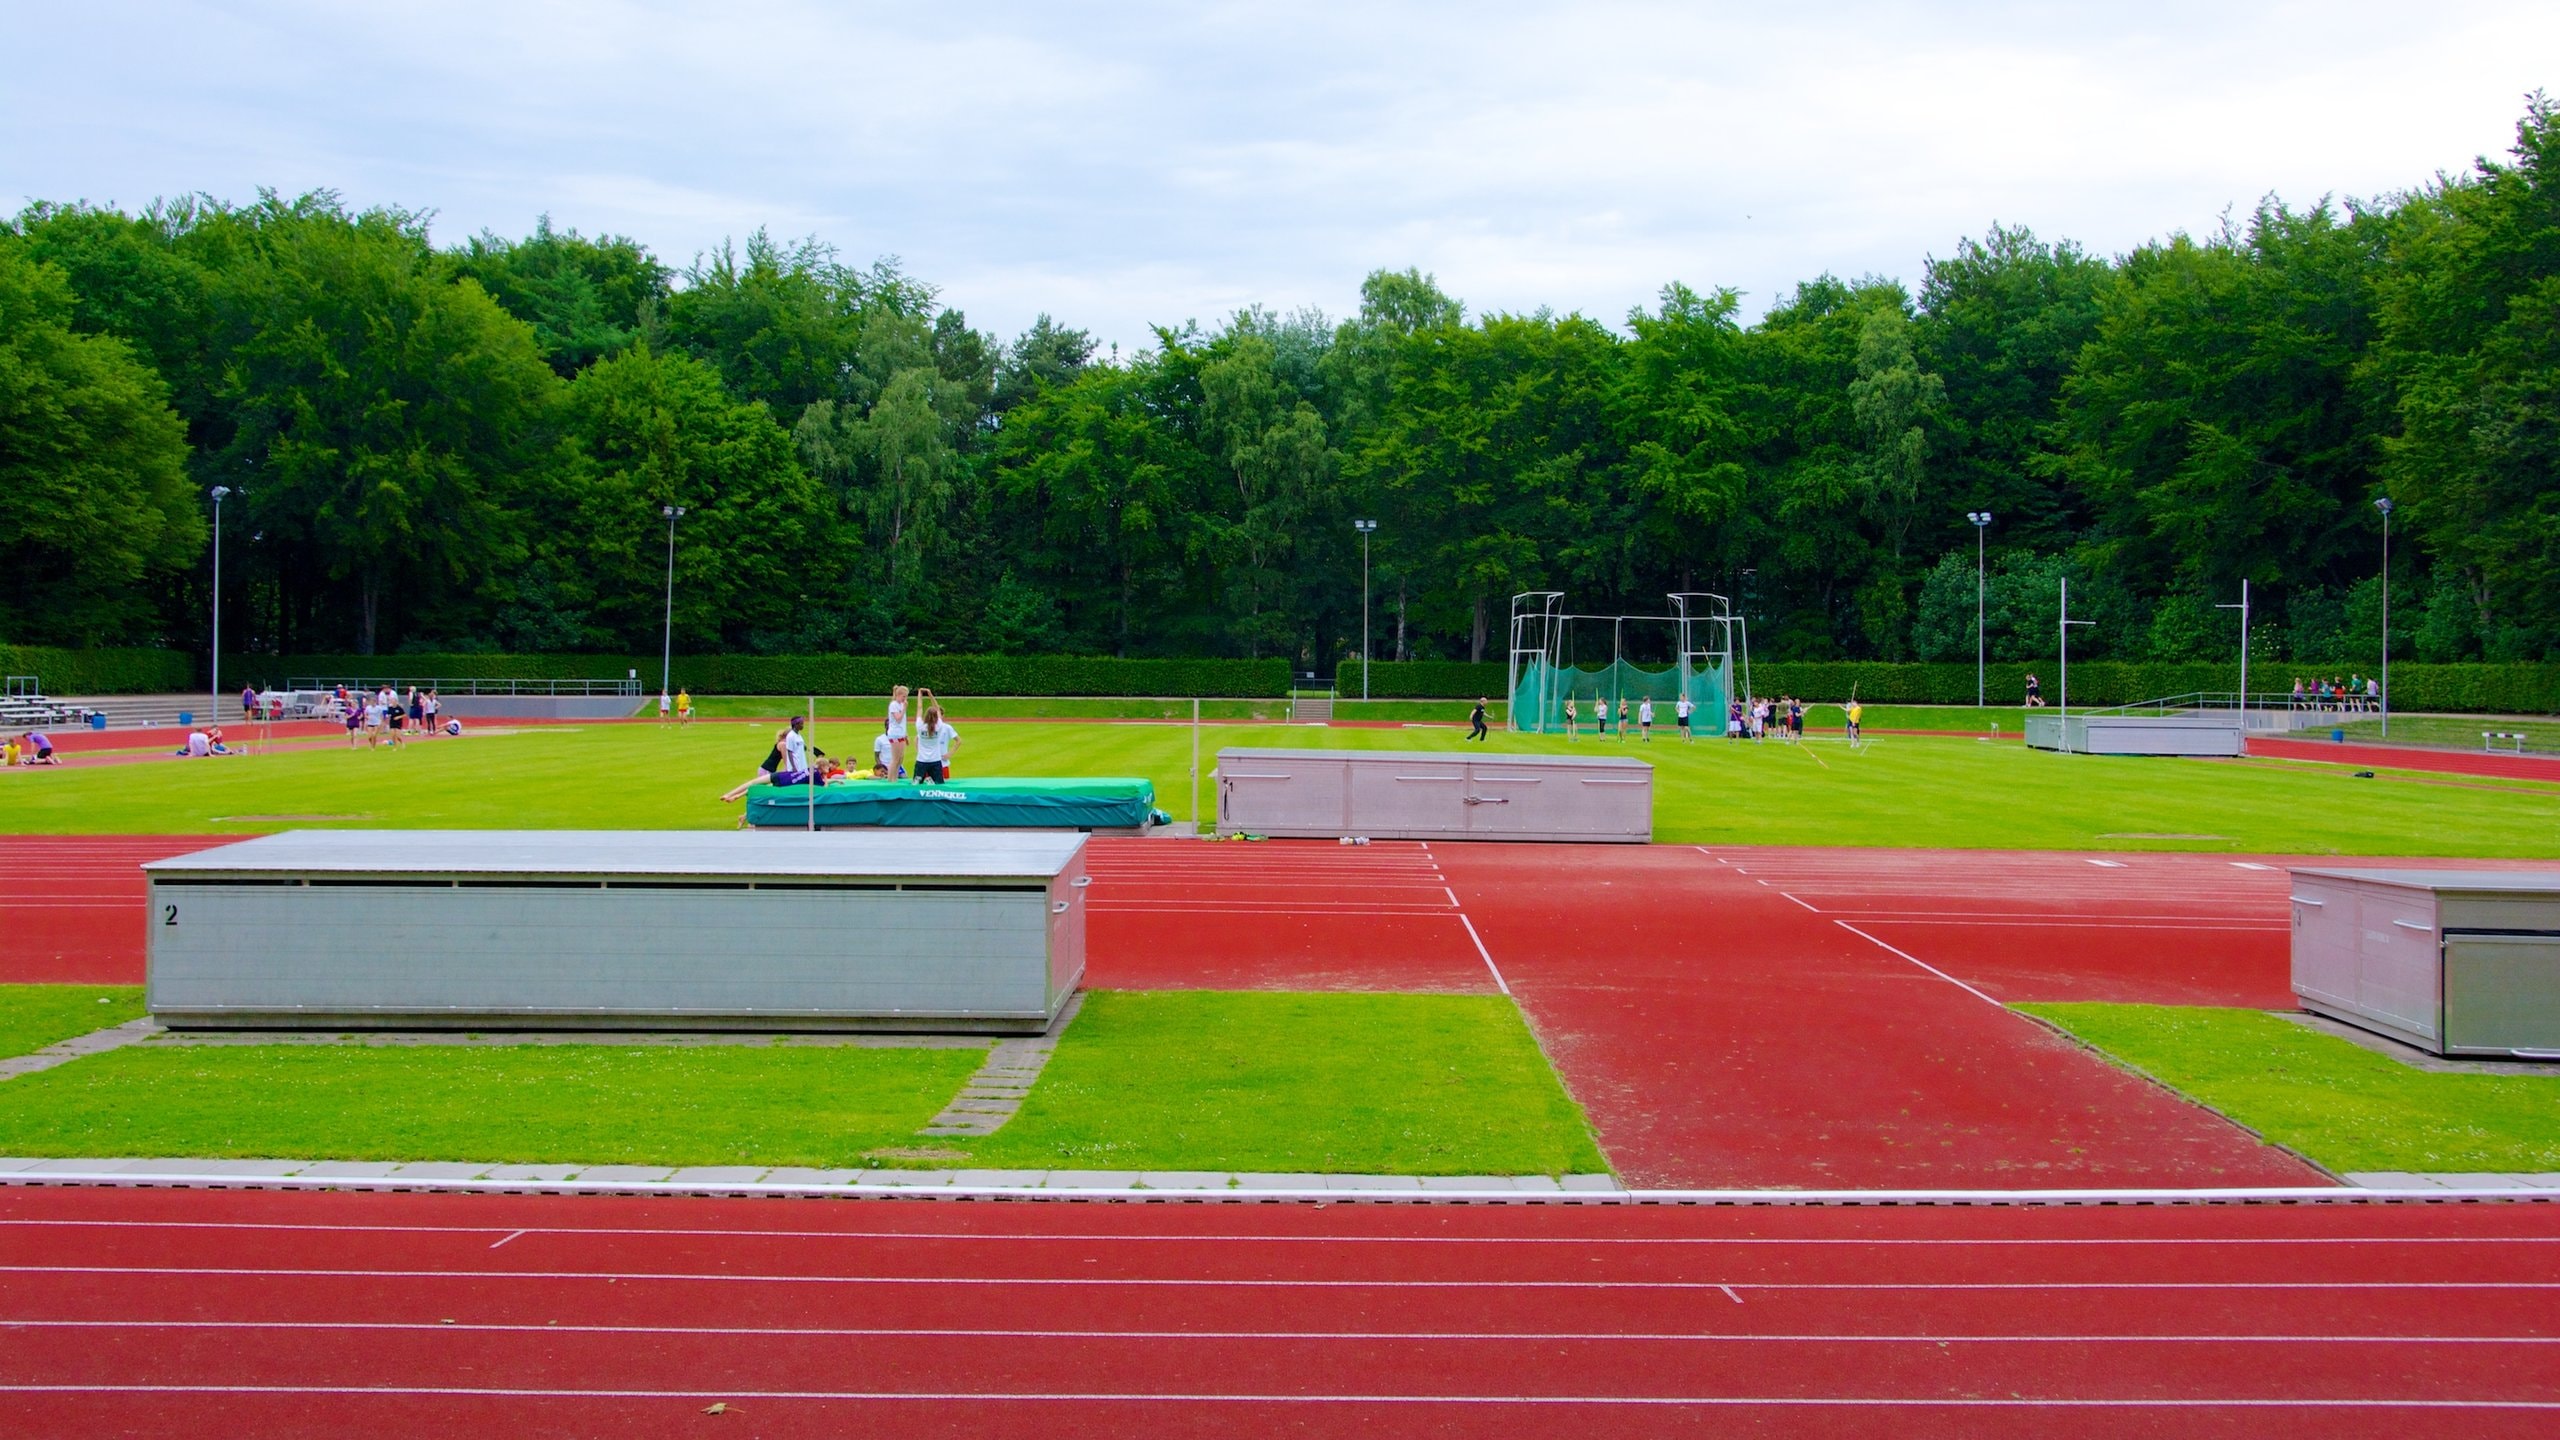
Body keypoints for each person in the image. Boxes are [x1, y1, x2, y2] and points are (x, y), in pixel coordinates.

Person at [913, 706, 959, 783]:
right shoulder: (929, 727)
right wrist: (919, 751)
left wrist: (949, 754)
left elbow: (958, 740)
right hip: (933, 760)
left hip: (942, 762)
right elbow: (916, 739)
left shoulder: (946, 728)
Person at [886, 684, 911, 778]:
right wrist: (904, 708)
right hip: (895, 734)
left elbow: (903, 722)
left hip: (901, 733)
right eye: (904, 696)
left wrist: (906, 735)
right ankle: (891, 779)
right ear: (898, 695)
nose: (905, 699)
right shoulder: (894, 705)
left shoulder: (900, 704)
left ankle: (894, 778)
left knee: (900, 759)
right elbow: (898, 719)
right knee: (895, 758)